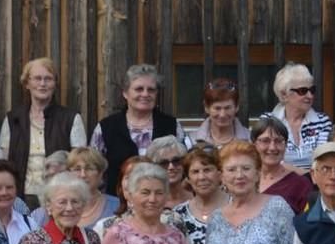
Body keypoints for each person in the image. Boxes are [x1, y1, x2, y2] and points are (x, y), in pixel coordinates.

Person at [0, 57, 87, 199]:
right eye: (37, 78)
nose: (42, 84)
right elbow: (3, 161)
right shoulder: (13, 119)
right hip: (20, 196)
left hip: (59, 195)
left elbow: (80, 162)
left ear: (55, 83)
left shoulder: (71, 119)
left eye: (48, 79)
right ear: (27, 83)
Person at [95, 64, 181, 195]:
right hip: (118, 205)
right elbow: (95, 170)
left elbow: (185, 165)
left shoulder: (171, 125)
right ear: (125, 93)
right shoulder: (106, 127)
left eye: (151, 90)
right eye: (139, 89)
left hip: (164, 203)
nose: (145, 94)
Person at [269, 63, 332, 170]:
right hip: (280, 183)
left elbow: (324, 159)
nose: (310, 96)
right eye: (302, 91)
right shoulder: (268, 121)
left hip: (315, 185)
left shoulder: (322, 121)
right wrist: (304, 176)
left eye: (312, 90)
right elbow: (268, 161)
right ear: (284, 94)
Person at [250, 115, 313, 210]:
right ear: (254, 145)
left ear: (286, 145)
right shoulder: (243, 179)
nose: (272, 147)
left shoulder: (300, 185)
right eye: (265, 141)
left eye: (279, 141)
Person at [65, 147, 120, 223]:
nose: (83, 175)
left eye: (89, 168)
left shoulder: (117, 206)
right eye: (77, 169)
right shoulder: (57, 206)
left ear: (100, 173)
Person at [191, 78, 250, 149]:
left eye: (227, 108)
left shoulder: (251, 140)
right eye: (217, 108)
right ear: (206, 107)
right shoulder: (191, 141)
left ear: (237, 106)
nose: (222, 114)